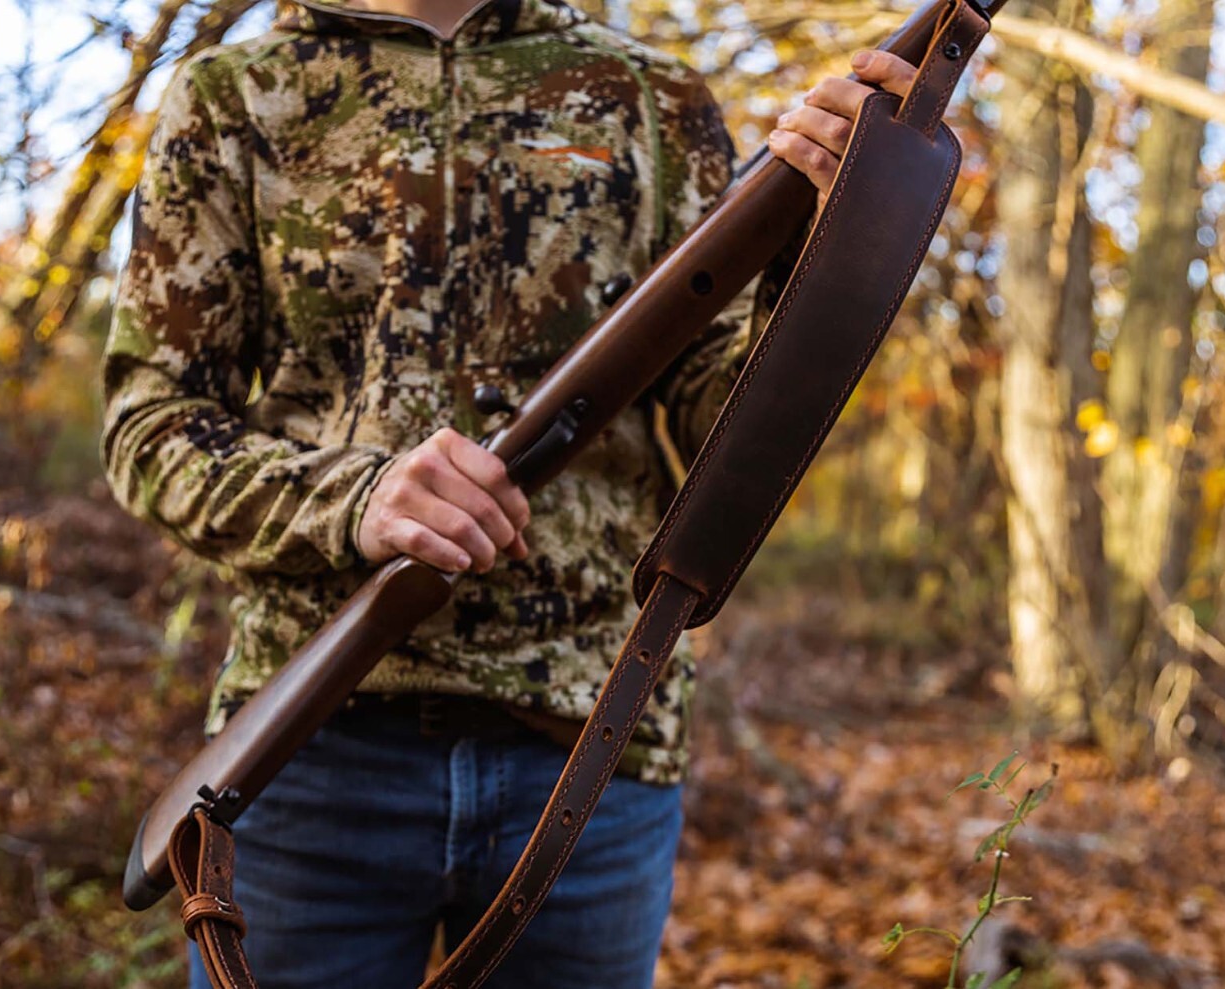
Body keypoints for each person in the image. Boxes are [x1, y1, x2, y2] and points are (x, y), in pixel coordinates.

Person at [101, 1, 916, 985]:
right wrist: (354, 499)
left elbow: (729, 436)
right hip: (306, 749)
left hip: (588, 750)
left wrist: (828, 252)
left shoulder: (653, 97)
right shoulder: (232, 96)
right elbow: (151, 426)